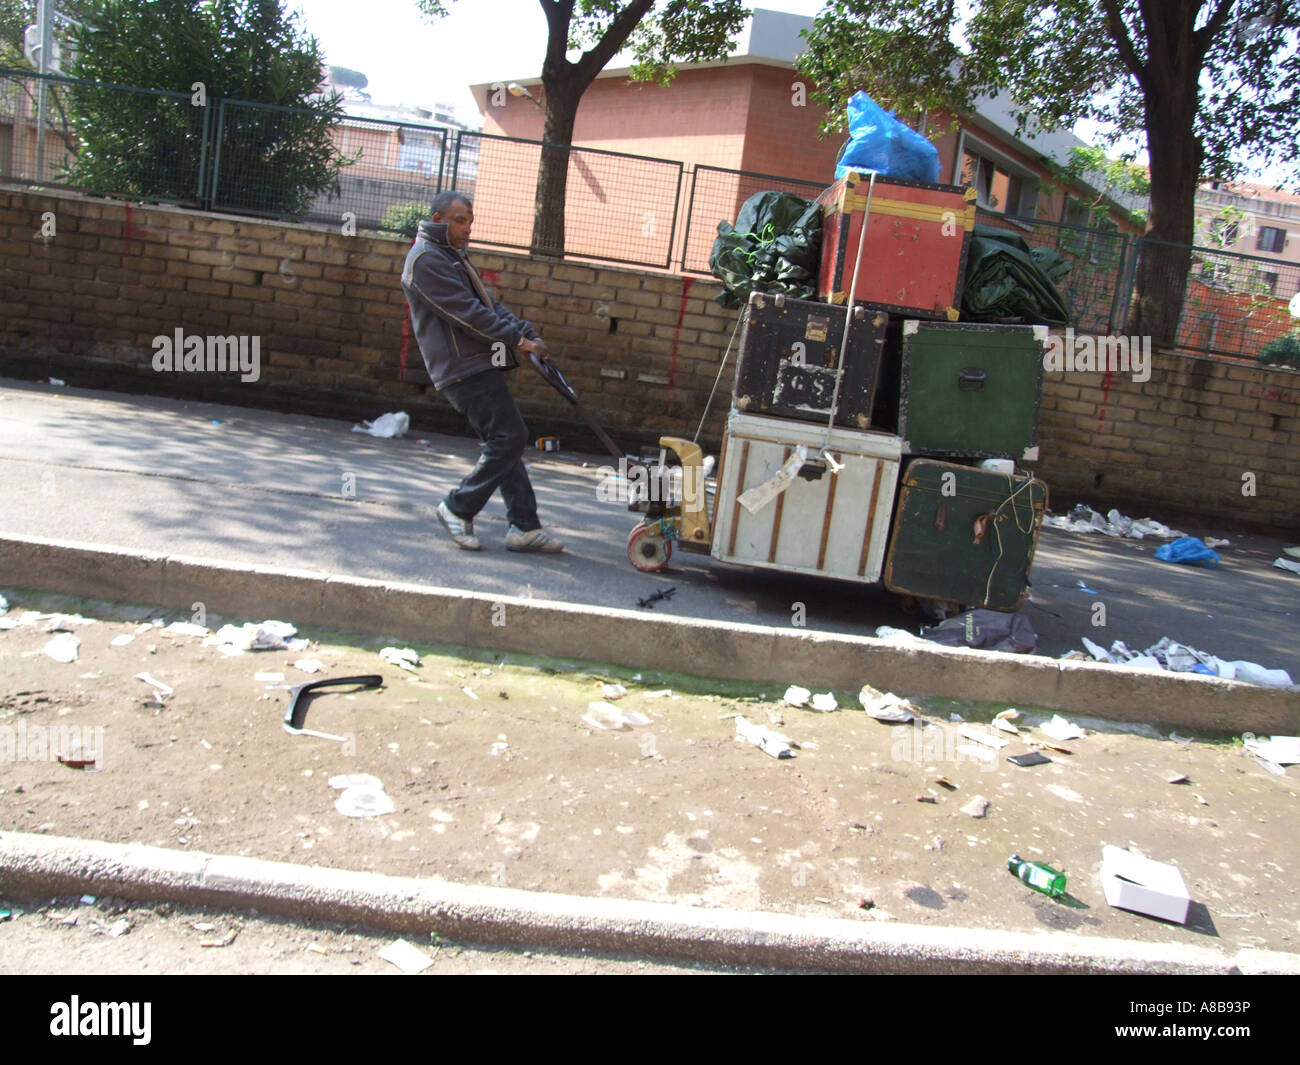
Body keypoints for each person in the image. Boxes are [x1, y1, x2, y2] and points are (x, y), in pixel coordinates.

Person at [401, 191, 564, 553]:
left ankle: (524, 525)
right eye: (460, 220)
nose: (467, 228)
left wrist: (525, 331)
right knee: (509, 437)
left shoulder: (451, 256)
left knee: (504, 440)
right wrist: (519, 342)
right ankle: (457, 506)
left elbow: (489, 305)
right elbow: (467, 315)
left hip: (476, 363)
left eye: (470, 221)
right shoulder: (426, 261)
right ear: (439, 218)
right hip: (462, 367)